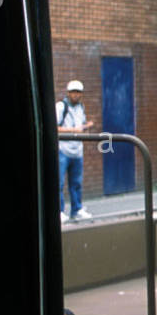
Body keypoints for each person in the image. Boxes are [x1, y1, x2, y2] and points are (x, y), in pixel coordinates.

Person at [56, 79, 94, 222]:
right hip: (63, 150)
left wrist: (86, 126)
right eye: (73, 92)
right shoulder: (61, 107)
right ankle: (59, 211)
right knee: (59, 183)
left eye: (78, 92)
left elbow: (80, 126)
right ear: (68, 93)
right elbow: (55, 127)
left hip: (77, 150)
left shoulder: (81, 108)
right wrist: (74, 130)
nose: (76, 95)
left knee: (76, 183)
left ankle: (76, 209)